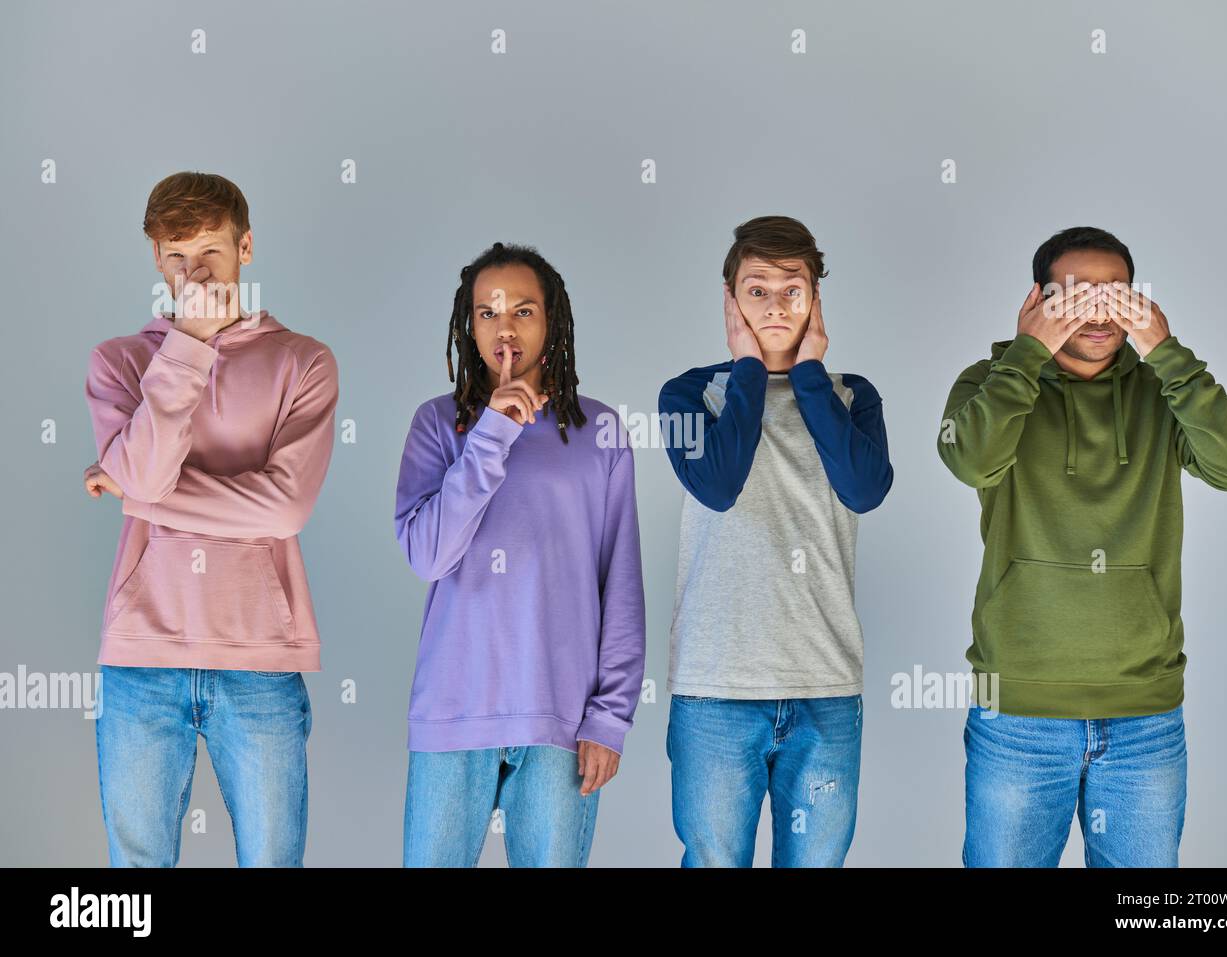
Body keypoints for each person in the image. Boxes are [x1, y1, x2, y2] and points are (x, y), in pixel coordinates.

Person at [937, 225, 1227, 867]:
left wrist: (1166, 352)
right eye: (1077, 295)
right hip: (1020, 713)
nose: (1098, 310)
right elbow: (971, 461)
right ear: (1037, 301)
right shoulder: (989, 382)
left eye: (1116, 294)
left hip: (1144, 715)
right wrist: (1028, 354)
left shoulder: (1161, 391)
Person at [83, 171, 339, 866]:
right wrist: (189, 345)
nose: (193, 275)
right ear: (155, 261)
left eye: (210, 255)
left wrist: (139, 491)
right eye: (176, 258)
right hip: (141, 658)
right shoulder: (120, 361)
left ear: (246, 247)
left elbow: (286, 508)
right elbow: (171, 480)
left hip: (260, 659)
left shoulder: (304, 362)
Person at [396, 242, 646, 867]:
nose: (504, 327)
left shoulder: (602, 431)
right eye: (487, 312)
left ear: (552, 321)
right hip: (454, 714)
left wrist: (610, 718)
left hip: (560, 722)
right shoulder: (437, 424)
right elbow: (428, 555)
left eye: (523, 310)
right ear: (468, 324)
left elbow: (621, 586)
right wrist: (491, 435)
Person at [659, 215, 893, 867]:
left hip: (826, 684)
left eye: (793, 288)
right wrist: (748, 369)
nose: (775, 305)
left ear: (817, 298)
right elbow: (718, 481)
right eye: (756, 289)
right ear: (730, 299)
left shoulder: (852, 396)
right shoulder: (688, 394)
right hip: (715, 686)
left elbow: (865, 488)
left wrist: (810, 373)